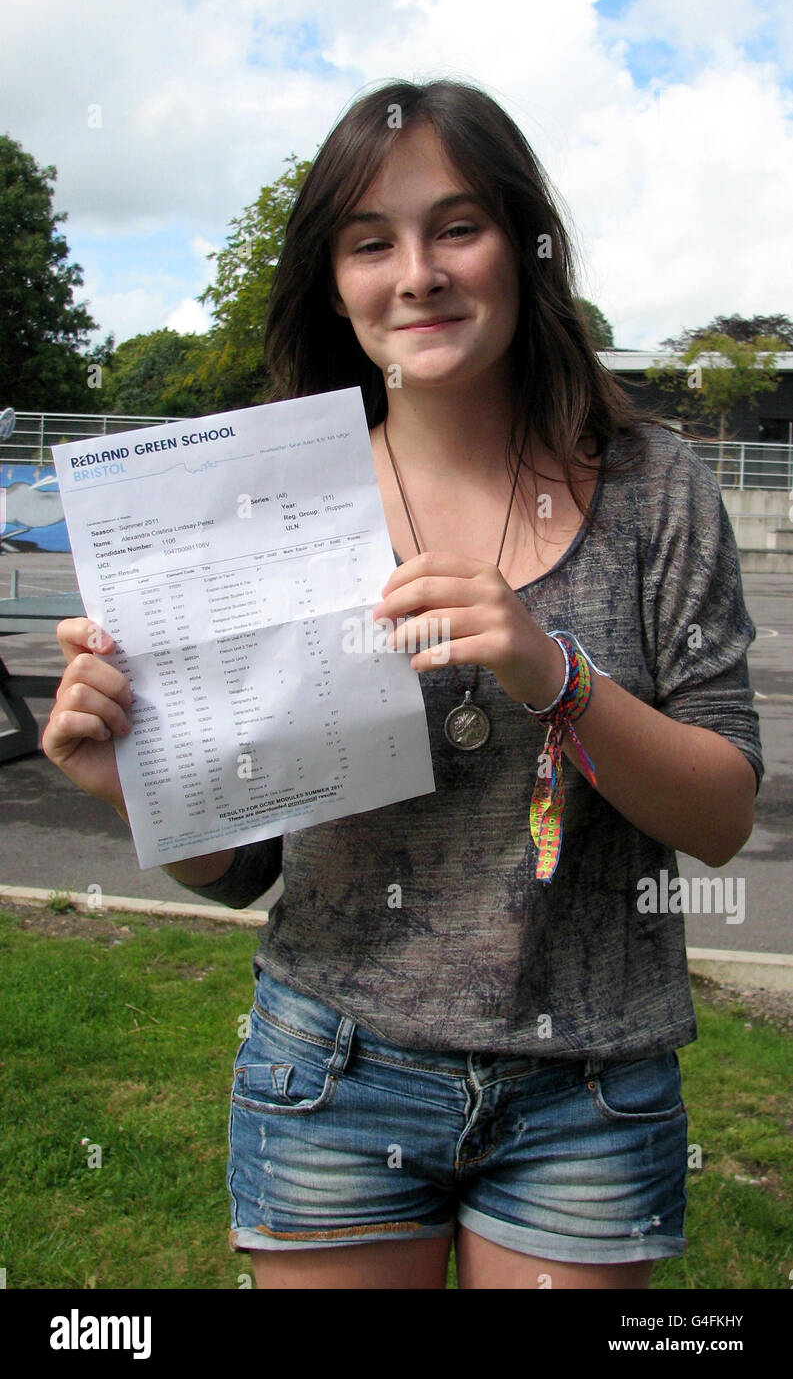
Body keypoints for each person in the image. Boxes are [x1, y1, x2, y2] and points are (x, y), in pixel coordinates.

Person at [42, 79, 763, 1291]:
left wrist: (551, 668)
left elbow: (722, 817)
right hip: (329, 1070)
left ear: (525, 249)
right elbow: (245, 873)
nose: (415, 273)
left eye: (457, 227)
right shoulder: (259, 505)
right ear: (334, 281)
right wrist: (136, 786)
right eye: (370, 242)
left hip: (588, 1086)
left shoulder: (655, 488)